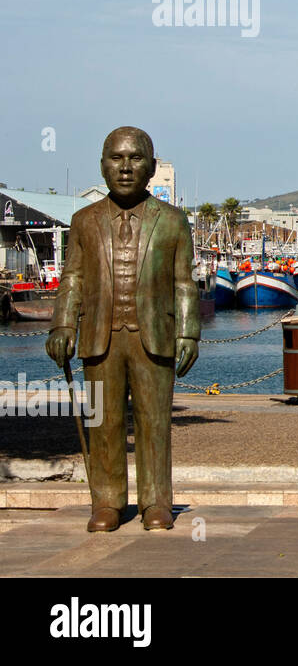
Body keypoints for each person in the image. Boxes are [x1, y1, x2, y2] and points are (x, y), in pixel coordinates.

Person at [45, 127, 199, 532]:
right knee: (104, 420)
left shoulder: (172, 221)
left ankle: (155, 503)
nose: (125, 168)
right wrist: (62, 323)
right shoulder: (84, 221)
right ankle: (107, 502)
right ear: (102, 166)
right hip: (101, 336)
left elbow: (184, 282)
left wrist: (189, 332)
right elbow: (73, 279)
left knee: (154, 421)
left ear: (151, 168)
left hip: (154, 335)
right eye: (116, 158)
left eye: (135, 159)